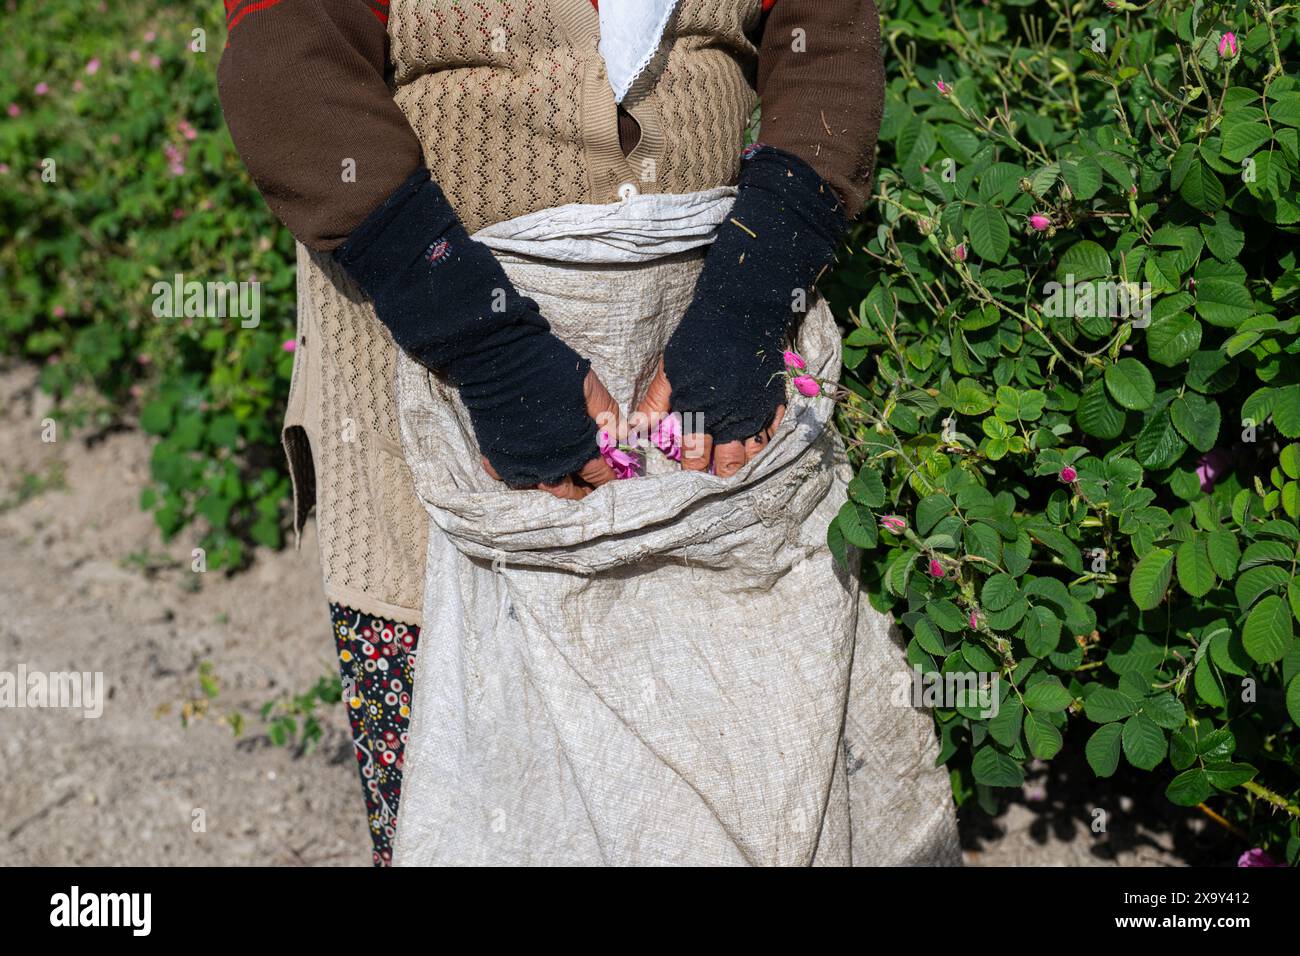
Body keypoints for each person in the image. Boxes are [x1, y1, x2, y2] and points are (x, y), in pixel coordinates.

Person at [220, 0, 955, 866]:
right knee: (482, 772)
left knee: (749, 747)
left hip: (709, 364)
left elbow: (823, 32)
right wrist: (487, 348)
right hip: (424, 354)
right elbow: (289, 65)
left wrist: (752, 296)